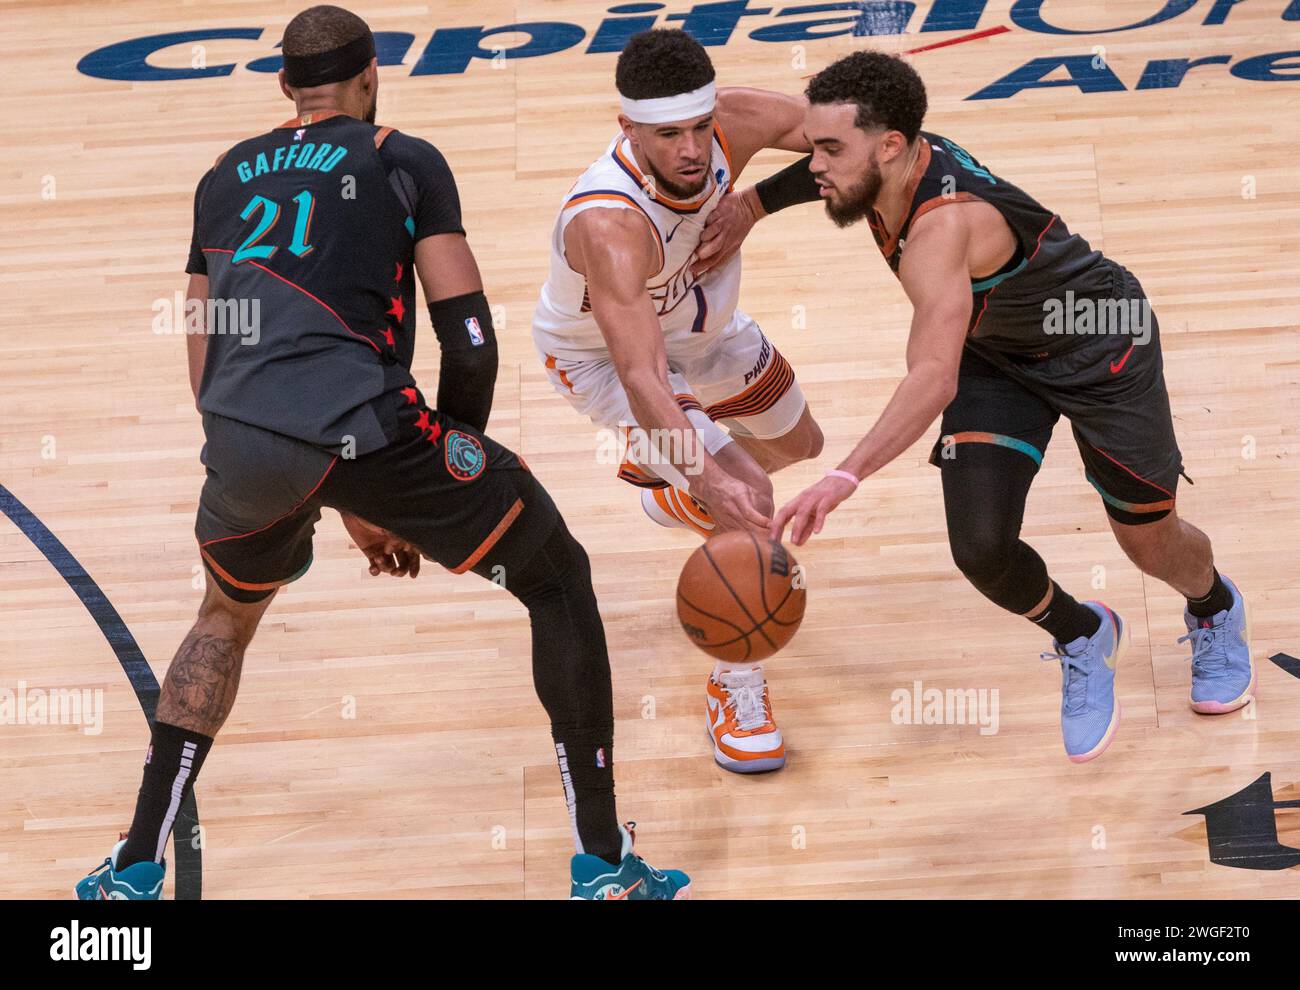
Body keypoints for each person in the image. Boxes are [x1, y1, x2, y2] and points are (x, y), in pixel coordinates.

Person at [75, 4, 689, 900]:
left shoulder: (222, 175)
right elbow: (471, 339)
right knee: (556, 579)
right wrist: (444, 469)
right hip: (365, 424)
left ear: (285, 87)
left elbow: (205, 345)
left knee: (222, 619)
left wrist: (323, 480)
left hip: (242, 437)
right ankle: (604, 867)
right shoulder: (401, 157)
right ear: (372, 80)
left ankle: (133, 867)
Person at [728, 51, 1252, 763]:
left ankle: (1215, 608)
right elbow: (753, 116)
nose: (813, 165)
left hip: (1101, 343)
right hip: (998, 350)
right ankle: (1081, 632)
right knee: (981, 548)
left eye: (829, 151)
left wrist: (843, 475)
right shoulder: (885, 153)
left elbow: (932, 379)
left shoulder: (944, 229)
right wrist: (744, 200)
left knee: (1148, 542)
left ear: (889, 146)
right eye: (812, 145)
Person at [531, 28, 831, 775]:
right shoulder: (610, 222)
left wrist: (759, 201)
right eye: (669, 135)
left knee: (802, 446)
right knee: (749, 493)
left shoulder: (736, 121)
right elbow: (643, 375)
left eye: (700, 127)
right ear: (627, 128)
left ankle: (679, 499)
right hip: (606, 359)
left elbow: (855, 138)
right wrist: (711, 476)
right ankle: (737, 681)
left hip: (704, 325)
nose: (694, 150)